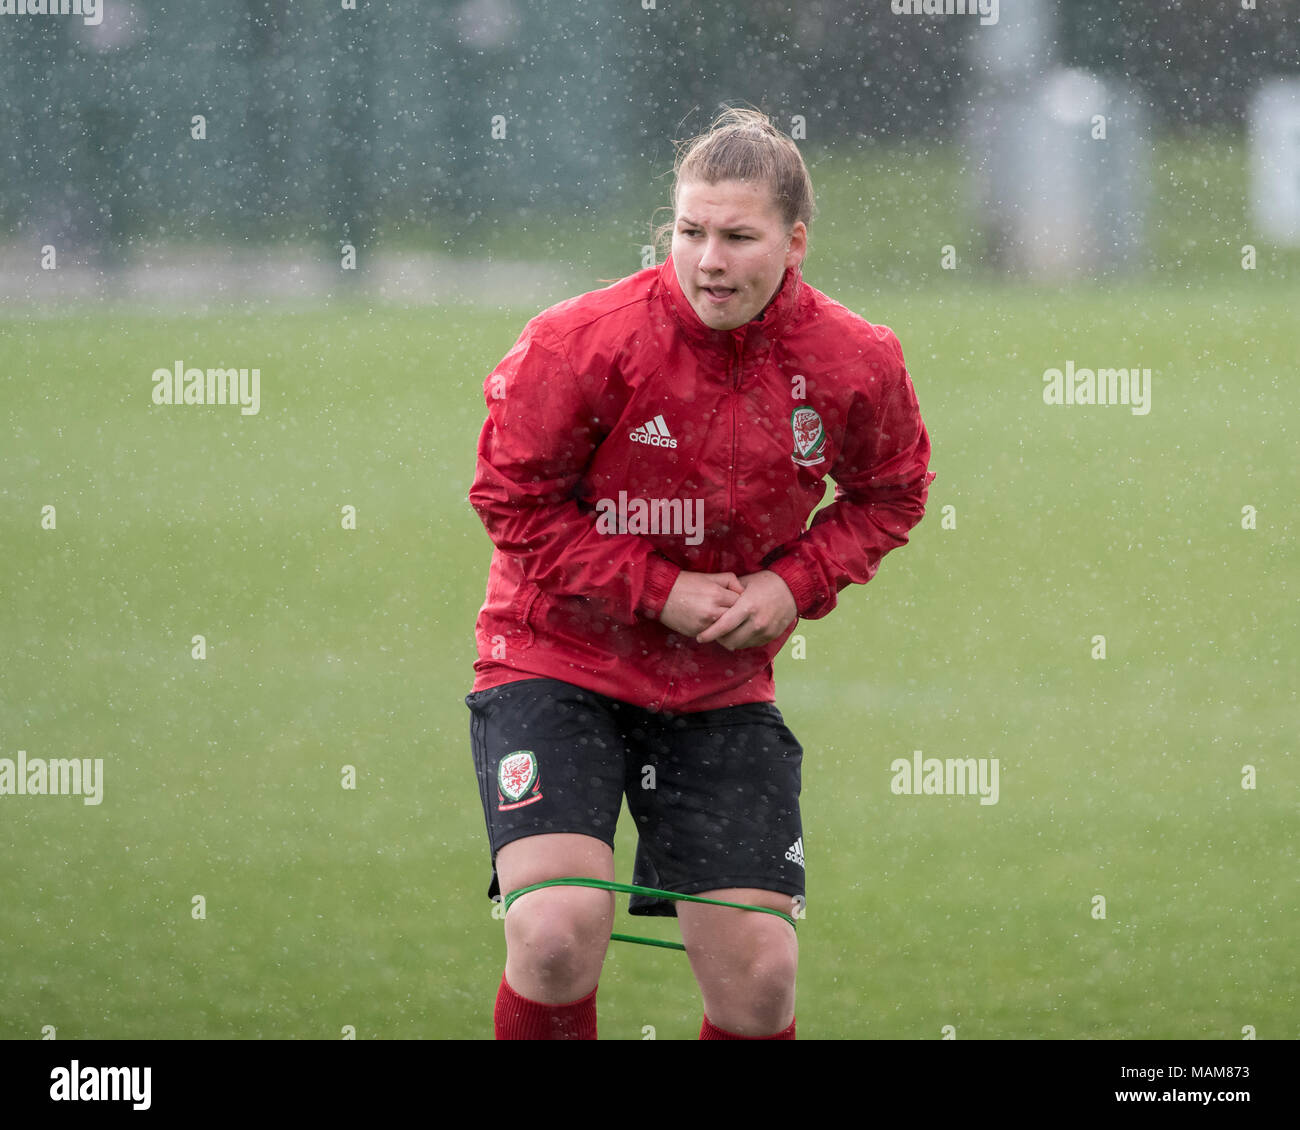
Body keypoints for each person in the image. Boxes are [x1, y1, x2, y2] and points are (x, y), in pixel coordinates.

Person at [466, 106, 935, 1040]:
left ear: (795, 241)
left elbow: (892, 493)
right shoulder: (581, 342)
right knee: (556, 929)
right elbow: (509, 500)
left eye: (737, 236)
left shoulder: (855, 359)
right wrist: (658, 589)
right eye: (689, 232)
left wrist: (792, 585)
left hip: (716, 687)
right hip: (558, 664)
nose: (708, 259)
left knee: (761, 977)